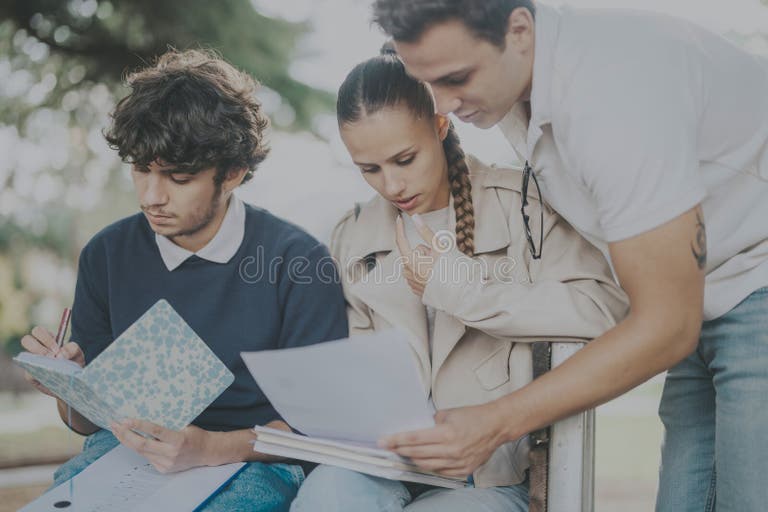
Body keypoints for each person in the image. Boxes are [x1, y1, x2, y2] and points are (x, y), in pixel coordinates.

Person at [371, 1, 768, 510]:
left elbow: (667, 324)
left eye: (456, 78)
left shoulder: (612, 95)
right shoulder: (519, 81)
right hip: (701, 291)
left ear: (518, 30)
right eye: (427, 82)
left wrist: (494, 421)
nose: (443, 105)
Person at [290, 49, 627, 512]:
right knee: (325, 496)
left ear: (440, 127)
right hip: (383, 464)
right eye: (370, 169)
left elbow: (604, 309)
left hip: (489, 475)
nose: (391, 185)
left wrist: (461, 288)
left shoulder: (524, 206)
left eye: (404, 159)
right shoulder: (353, 233)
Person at [20, 49, 348, 512]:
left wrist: (210, 448)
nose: (153, 197)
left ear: (232, 173)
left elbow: (316, 428)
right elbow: (89, 424)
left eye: (179, 177)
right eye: (141, 170)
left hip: (252, 461)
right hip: (124, 455)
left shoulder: (297, 261)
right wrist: (67, 386)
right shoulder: (106, 255)